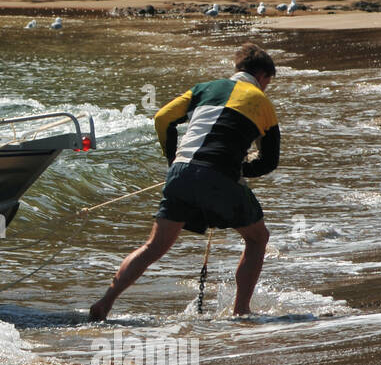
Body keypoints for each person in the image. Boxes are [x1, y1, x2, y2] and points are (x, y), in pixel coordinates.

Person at [89, 42, 281, 320]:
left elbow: (162, 118)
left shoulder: (203, 88)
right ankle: (241, 311)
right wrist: (241, 169)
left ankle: (105, 302)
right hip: (219, 176)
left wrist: (173, 160)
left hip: (180, 173)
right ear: (263, 77)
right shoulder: (263, 103)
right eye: (268, 83)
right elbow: (268, 162)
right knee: (257, 238)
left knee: (153, 246)